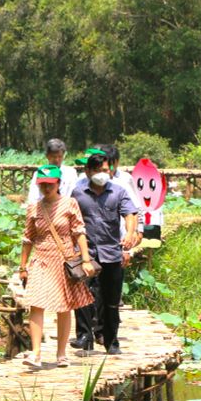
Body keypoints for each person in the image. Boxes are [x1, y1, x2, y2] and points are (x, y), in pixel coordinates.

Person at [18, 165, 95, 368]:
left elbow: (79, 232)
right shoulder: (33, 208)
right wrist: (22, 266)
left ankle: (61, 353)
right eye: (42, 185)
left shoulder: (70, 204)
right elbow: (28, 239)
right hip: (41, 259)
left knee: (64, 306)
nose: (46, 188)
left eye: (50, 184)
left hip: (63, 259)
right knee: (36, 303)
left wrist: (86, 259)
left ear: (58, 184)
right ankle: (35, 353)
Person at [71, 151, 138, 354]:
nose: (103, 174)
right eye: (98, 171)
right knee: (82, 295)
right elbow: (71, 222)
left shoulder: (118, 192)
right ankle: (84, 336)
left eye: (106, 170)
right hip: (86, 253)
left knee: (111, 300)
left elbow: (130, 214)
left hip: (111, 252)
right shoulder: (77, 194)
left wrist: (130, 232)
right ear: (88, 171)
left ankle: (111, 340)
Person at [27, 138, 78, 203]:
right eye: (54, 157)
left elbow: (74, 194)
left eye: (60, 156)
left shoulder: (71, 173)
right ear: (47, 156)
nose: (57, 160)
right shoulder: (40, 174)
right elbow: (33, 197)